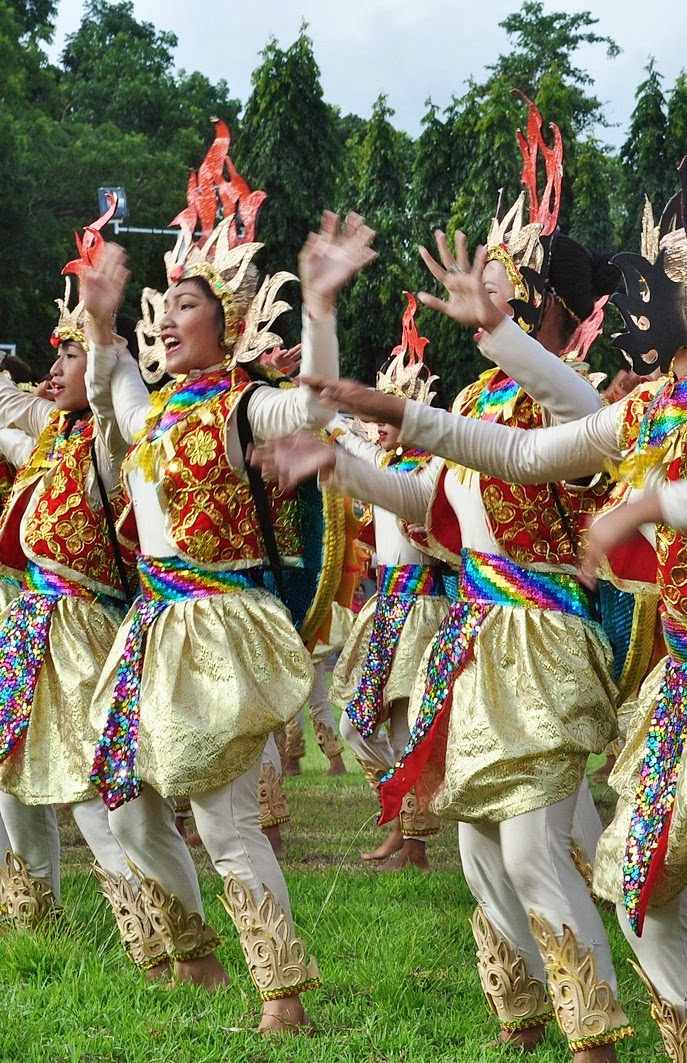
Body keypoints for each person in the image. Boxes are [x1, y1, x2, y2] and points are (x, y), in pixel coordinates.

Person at [258, 104, 635, 1061]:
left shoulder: (568, 394)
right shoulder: (472, 400)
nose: (483, 297)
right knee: (478, 844)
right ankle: (522, 1015)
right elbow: (426, 496)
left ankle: (594, 1035)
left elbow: (574, 420)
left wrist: (506, 338)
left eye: (506, 287)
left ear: (543, 304)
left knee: (533, 846)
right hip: (475, 637)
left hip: (546, 636)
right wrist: (332, 468)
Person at [78, 121, 370, 1033]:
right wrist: (101, 326)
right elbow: (107, 395)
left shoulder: (247, 406)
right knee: (121, 797)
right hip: (154, 625)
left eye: (188, 303)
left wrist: (320, 308)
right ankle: (196, 956)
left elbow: (317, 401)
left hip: (219, 620)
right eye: (164, 302)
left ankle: (281, 995)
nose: (169, 314)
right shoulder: (156, 409)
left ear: (230, 322)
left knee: (225, 818)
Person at [0, 210, 158, 971]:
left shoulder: (104, 437)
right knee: (12, 779)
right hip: (28, 623)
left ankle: (148, 931)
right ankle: (32, 916)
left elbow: (105, 392)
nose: (55, 370)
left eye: (68, 357)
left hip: (78, 627)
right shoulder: (45, 447)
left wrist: (100, 338)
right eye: (52, 357)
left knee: (90, 789)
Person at [325, 294, 448, 872]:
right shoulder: (384, 464)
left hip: (422, 608)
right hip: (387, 605)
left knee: (405, 726)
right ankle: (399, 818)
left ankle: (416, 845)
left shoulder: (427, 467)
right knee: (356, 721)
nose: (378, 428)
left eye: (389, 416)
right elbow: (345, 439)